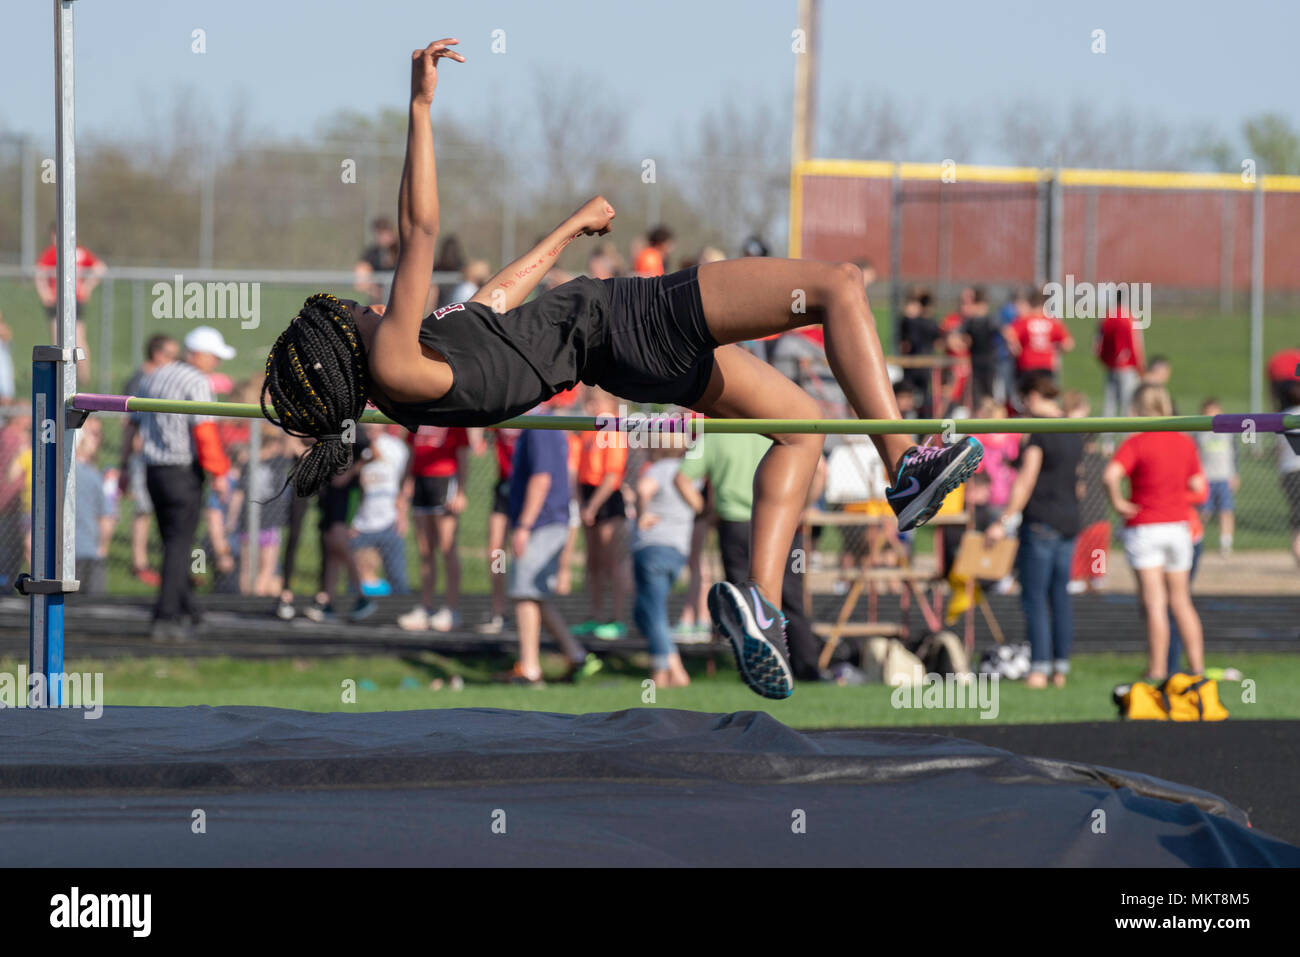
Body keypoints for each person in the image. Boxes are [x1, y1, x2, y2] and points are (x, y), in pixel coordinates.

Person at [259, 38, 982, 699]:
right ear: (344, 348)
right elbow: (419, 230)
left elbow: (494, 300)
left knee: (802, 426)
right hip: (625, 320)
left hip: (629, 359)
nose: (363, 303)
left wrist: (569, 229)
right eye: (351, 311)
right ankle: (905, 467)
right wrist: (420, 108)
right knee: (839, 285)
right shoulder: (394, 359)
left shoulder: (418, 370)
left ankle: (761, 604)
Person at [675, 431, 823, 684]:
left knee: (745, 601)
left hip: (735, 527)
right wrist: (803, 505)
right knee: (792, 599)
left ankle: (758, 670)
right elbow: (820, 472)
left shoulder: (714, 437)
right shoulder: (777, 429)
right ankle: (806, 667)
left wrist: (705, 511)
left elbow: (681, 479)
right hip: (783, 525)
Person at [126, 326, 234, 642]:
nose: (216, 363)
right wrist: (219, 473)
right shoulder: (197, 382)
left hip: (152, 469)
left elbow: (132, 424)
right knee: (178, 544)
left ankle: (189, 609)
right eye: (213, 357)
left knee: (172, 542)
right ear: (198, 355)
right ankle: (165, 616)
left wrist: (123, 466)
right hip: (181, 472)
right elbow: (205, 433)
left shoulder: (154, 375)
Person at [986, 373, 1084, 688]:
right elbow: (1078, 480)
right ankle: (1059, 667)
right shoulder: (1072, 428)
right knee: (1060, 596)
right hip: (1069, 519)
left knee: (1035, 597)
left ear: (1030, 396)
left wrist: (1003, 520)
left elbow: (1026, 479)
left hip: (1042, 519)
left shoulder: (1038, 431)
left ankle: (1039, 668)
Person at [1103, 385, 1206, 680]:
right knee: (1181, 600)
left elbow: (1110, 475)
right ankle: (1197, 668)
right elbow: (1198, 486)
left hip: (1146, 527)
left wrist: (1120, 503)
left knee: (1154, 603)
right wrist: (1172, 497)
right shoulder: (1184, 442)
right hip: (1177, 528)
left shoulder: (1138, 442)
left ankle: (1158, 670)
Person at [498, 411, 602, 685]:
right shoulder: (545, 426)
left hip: (542, 521)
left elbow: (542, 478)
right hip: (548, 520)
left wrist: (523, 526)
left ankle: (530, 669)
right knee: (536, 596)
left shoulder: (538, 427)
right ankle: (577, 655)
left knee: (523, 593)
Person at [632, 439, 699, 688]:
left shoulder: (658, 470)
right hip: (677, 550)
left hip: (653, 547)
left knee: (653, 613)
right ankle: (672, 667)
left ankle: (664, 671)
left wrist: (642, 515)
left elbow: (642, 489)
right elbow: (700, 505)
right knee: (644, 612)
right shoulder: (690, 474)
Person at [118, 334, 180, 587]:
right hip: (143, 454)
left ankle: (170, 564)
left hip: (163, 453)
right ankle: (139, 563)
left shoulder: (166, 378)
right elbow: (129, 421)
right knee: (143, 509)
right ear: (156, 354)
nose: (175, 362)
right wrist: (126, 460)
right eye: (171, 355)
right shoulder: (141, 378)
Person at [572, 387, 631, 638]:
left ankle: (618, 618)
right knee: (593, 562)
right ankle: (596, 615)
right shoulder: (588, 430)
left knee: (612, 561)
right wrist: (582, 504)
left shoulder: (613, 429)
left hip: (606, 499)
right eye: (589, 402)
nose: (592, 407)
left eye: (596, 402)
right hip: (588, 496)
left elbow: (611, 475)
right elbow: (577, 470)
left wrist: (593, 505)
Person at [397, 425, 469, 632]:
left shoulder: (453, 419)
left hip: (444, 480)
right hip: (420, 481)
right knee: (425, 549)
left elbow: (463, 455)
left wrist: (461, 490)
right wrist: (406, 483)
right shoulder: (418, 417)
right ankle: (426, 606)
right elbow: (411, 453)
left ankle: (451, 608)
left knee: (447, 548)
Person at [348, 422, 411, 611]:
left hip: (388, 522)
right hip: (360, 524)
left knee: (398, 578)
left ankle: (401, 613)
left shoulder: (396, 448)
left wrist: (402, 516)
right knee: (354, 582)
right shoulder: (356, 446)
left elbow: (404, 485)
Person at [34, 223, 105, 383]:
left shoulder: (59, 252)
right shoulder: (68, 252)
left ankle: (79, 378)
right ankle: (72, 378)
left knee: (66, 340)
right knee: (74, 339)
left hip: (67, 300)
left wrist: (87, 287)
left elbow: (100, 268)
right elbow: (40, 273)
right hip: (63, 300)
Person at [475, 425, 522, 634]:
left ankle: (524, 609)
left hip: (526, 487)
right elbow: (477, 443)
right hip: (504, 486)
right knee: (496, 552)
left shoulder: (535, 412)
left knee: (521, 552)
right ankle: (499, 611)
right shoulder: (503, 410)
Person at [72, 418, 116, 596]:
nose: (97, 440)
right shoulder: (93, 476)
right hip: (90, 553)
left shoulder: (55, 475)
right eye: (93, 435)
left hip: (61, 554)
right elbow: (106, 519)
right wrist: (103, 548)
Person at [1004, 289, 1074, 391]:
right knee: (1045, 397)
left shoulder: (1024, 320)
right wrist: (1055, 350)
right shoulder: (1052, 322)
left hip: (1027, 365)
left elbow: (1009, 333)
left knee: (1028, 397)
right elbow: (1068, 344)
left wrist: (1014, 348)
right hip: (1046, 366)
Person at [1195, 398, 1238, 556]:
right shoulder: (1198, 431)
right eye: (1208, 412)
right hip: (1205, 477)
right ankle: (1196, 540)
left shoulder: (1227, 430)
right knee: (1203, 512)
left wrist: (1235, 474)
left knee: (1226, 511)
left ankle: (1226, 543)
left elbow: (1235, 454)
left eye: (1215, 411)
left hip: (1224, 476)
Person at [1094, 288, 1145, 420]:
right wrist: (1140, 366)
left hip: (1111, 365)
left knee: (1109, 404)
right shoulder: (1130, 317)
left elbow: (1097, 345)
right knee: (1127, 404)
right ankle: (1125, 437)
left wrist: (1104, 359)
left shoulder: (1107, 317)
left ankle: (1107, 439)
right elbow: (1136, 344)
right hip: (1128, 366)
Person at [1278, 380, 1300, 568]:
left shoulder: (1283, 416)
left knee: (1297, 519)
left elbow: (1280, 450)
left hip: (1290, 471)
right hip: (1292, 470)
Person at [354, 217, 400, 303]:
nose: (383, 237)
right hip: (378, 302)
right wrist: (378, 292)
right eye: (379, 233)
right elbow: (360, 283)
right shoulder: (371, 254)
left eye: (385, 233)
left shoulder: (402, 253)